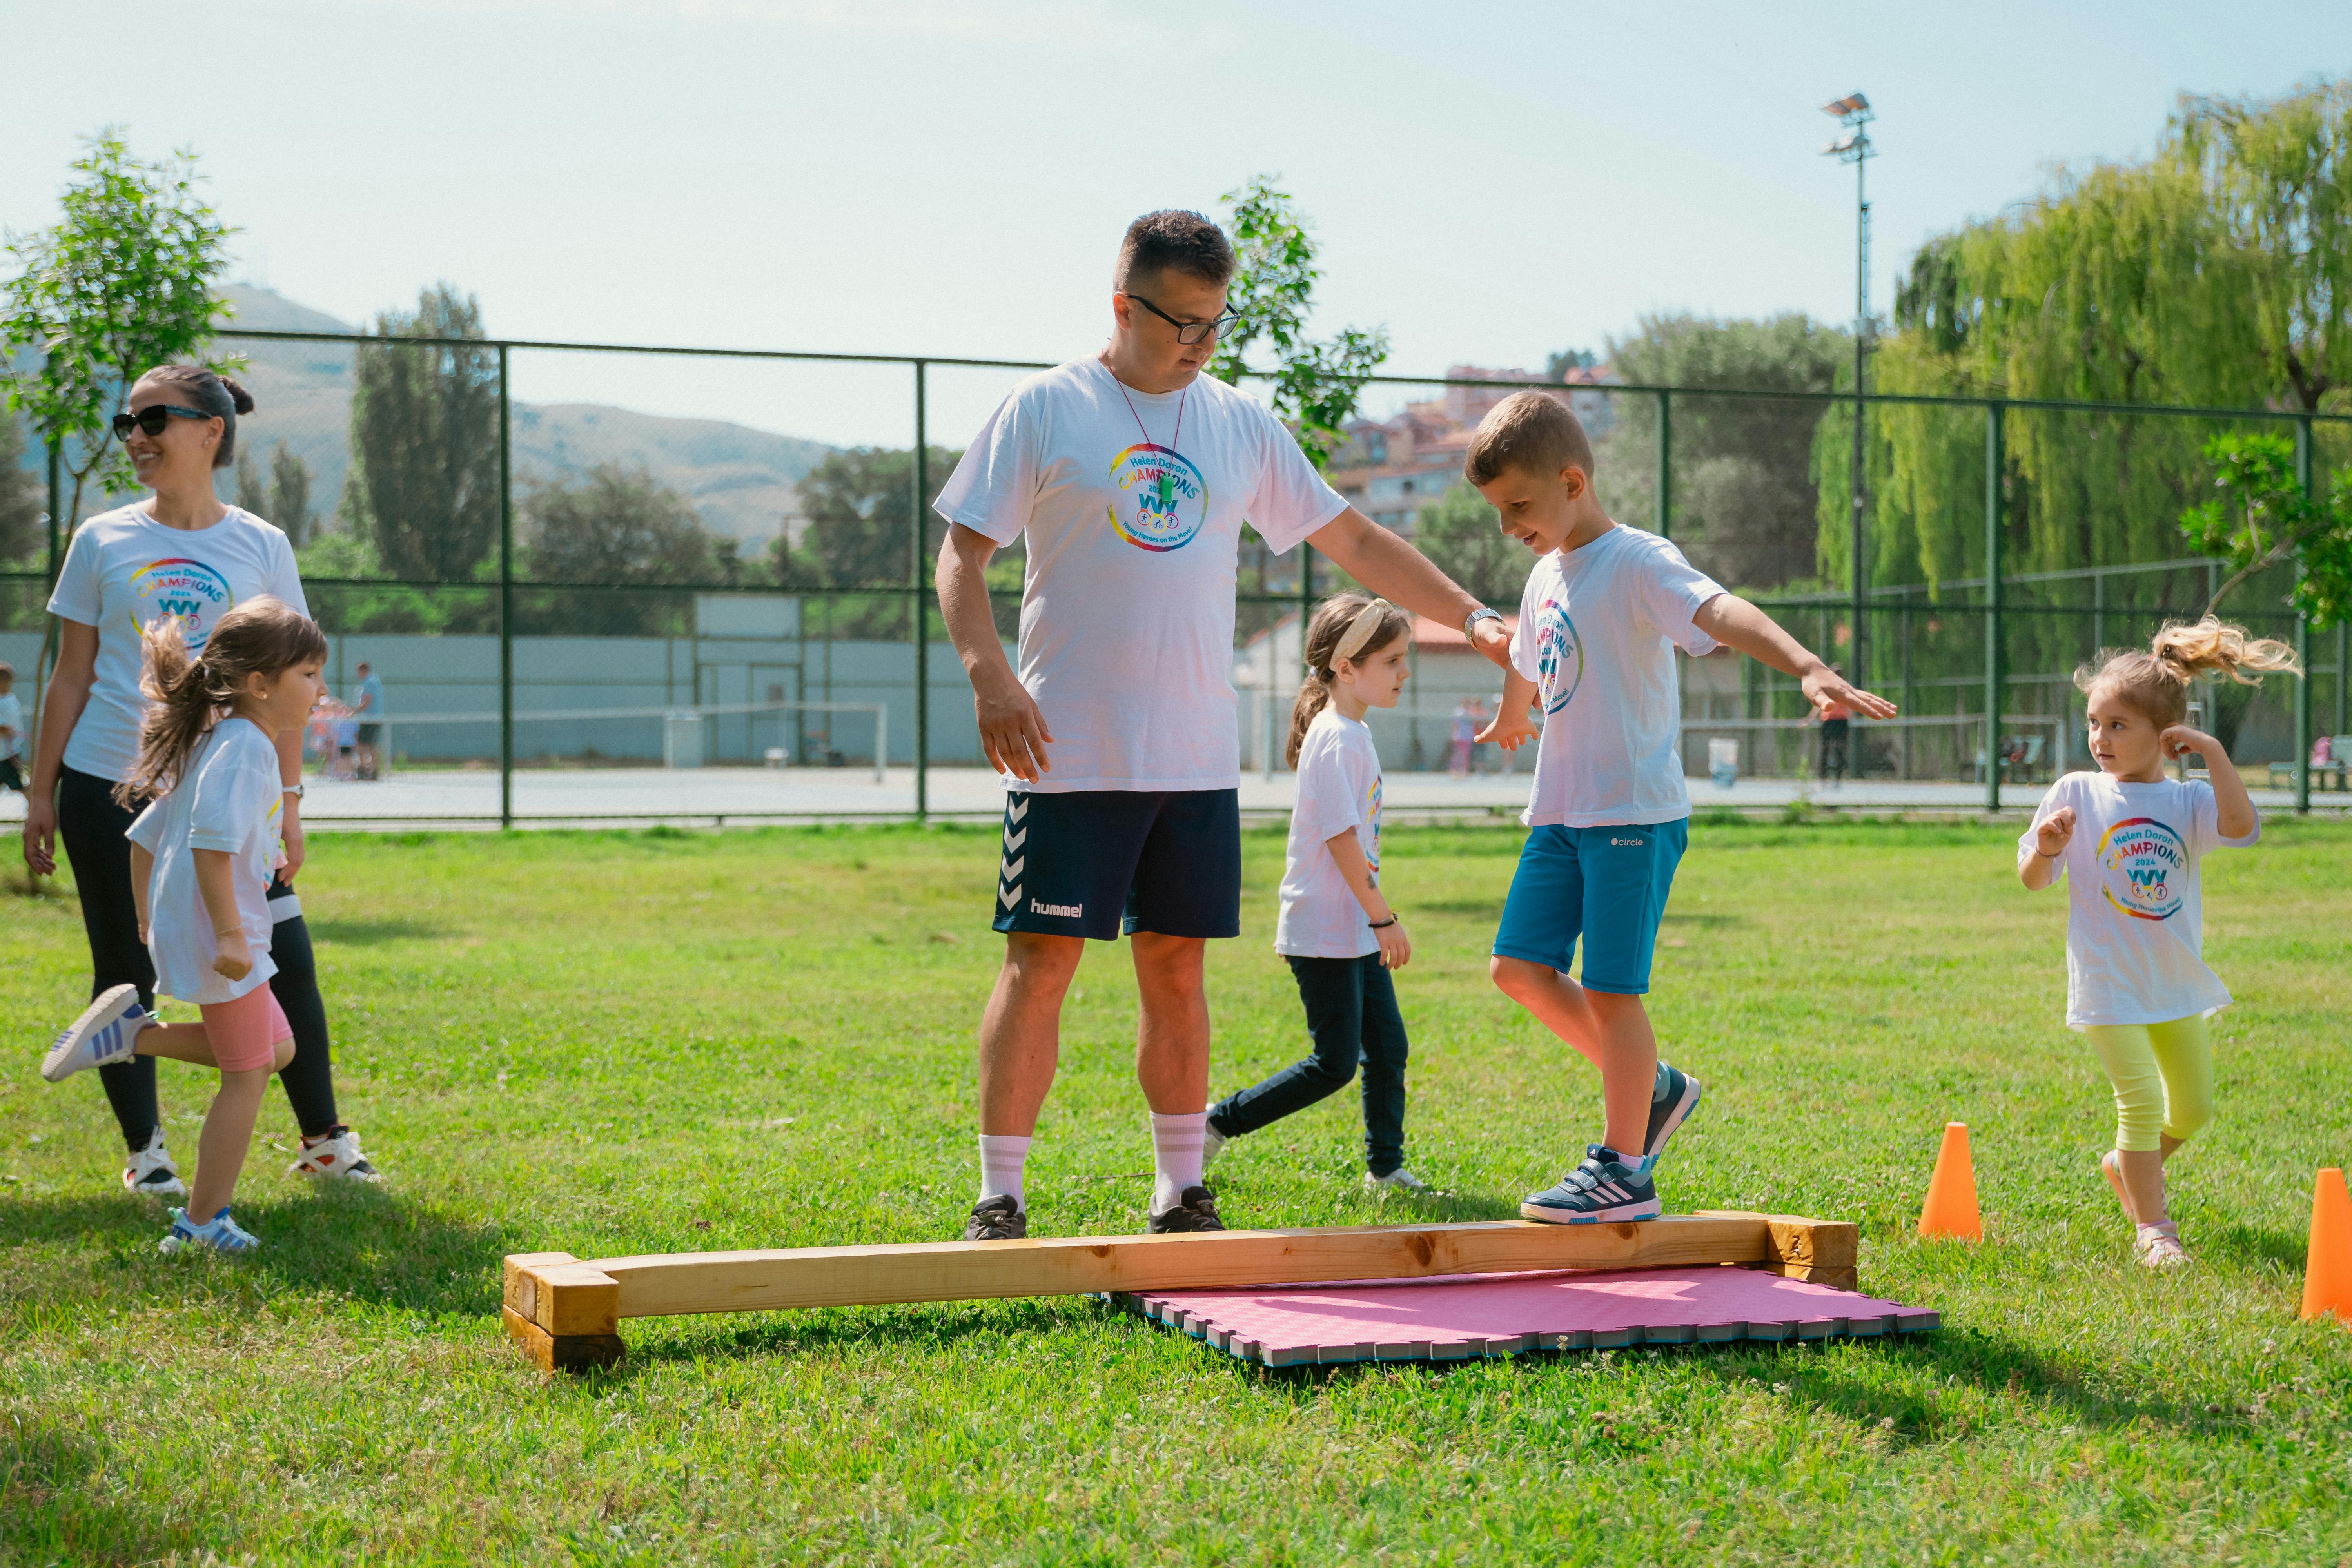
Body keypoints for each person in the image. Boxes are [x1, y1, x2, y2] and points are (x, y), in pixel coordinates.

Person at [933, 209, 1511, 1241]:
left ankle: (1178, 1190)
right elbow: (960, 558)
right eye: (1180, 322)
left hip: (1192, 764)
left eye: (1214, 323)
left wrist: (1468, 614)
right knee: (1042, 968)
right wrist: (990, 677)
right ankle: (1001, 1195)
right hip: (1067, 755)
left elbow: (1357, 538)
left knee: (1177, 970)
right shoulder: (1045, 409)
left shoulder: (1240, 423)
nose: (1200, 343)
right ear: (1124, 305)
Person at [1471, 392, 1894, 1223]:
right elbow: (1528, 652)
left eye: (1518, 504)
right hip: (1560, 810)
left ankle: (1625, 1170)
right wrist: (1514, 710)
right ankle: (1656, 1088)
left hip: (1632, 811)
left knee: (1612, 989)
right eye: (1495, 510)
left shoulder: (1635, 560)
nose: (1506, 524)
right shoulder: (1543, 571)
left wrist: (1807, 663)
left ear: (1572, 479)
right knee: (1517, 968)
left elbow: (1718, 611)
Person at [20, 365, 382, 1198]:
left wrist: (289, 804)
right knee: (124, 966)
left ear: (212, 429)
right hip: (108, 784)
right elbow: (71, 675)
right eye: (126, 423)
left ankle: (324, 1137)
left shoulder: (261, 543)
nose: (136, 437)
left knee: (283, 953)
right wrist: (42, 792)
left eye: (154, 419)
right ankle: (147, 1155)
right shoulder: (102, 539)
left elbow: (290, 682)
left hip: (223, 789)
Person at [40, 598, 326, 1253]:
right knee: (247, 1074)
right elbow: (208, 846)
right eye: (309, 674)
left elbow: (147, 835)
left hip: (201, 928)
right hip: (223, 936)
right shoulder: (248, 749)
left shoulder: (219, 740)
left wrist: (149, 915)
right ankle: (201, 1224)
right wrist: (228, 935)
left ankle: (134, 1036)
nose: (322, 689)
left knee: (276, 1051)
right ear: (261, 685)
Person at [2017, 617, 2299, 1269]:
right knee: (2140, 1100)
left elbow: (2242, 829)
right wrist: (2047, 848)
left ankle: (2128, 1163)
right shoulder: (2076, 794)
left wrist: (2215, 754)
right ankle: (2155, 1229)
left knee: (2193, 1109)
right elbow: (2033, 879)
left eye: (2118, 725)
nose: (2100, 738)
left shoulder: (2188, 801)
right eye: (2094, 722)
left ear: (2163, 735)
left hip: (2173, 980)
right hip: (2108, 979)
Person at [1204, 593, 1428, 1192]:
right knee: (1334, 1064)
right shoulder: (1336, 738)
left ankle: (1385, 1171)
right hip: (1327, 928)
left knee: (1387, 1050)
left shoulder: (1352, 733)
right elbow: (1340, 840)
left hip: (1351, 926)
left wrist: (1372, 922)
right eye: (1393, 660)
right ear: (1347, 667)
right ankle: (1215, 1125)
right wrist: (1384, 920)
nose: (1404, 672)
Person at [1815, 674, 1853, 786]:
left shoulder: (1844, 689)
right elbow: (1818, 705)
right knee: (1826, 751)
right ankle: (1824, 779)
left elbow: (1849, 706)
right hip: (1830, 721)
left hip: (1840, 721)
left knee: (1838, 750)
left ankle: (1836, 779)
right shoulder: (1826, 689)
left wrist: (1850, 718)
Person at [351, 661, 385, 780]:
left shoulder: (370, 682)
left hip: (370, 720)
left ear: (363, 671)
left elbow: (366, 702)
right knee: (369, 746)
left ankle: (366, 771)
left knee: (366, 747)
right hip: (372, 719)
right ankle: (371, 772)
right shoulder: (374, 681)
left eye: (359, 672)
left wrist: (353, 711)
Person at [0, 661, 23, 795]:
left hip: (7, 756)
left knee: (18, 787)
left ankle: (32, 812)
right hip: (8, 754)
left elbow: (6, 730)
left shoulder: (6, 704)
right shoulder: (11, 699)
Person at [1448, 698, 1477, 779]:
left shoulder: (1472, 713)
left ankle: (1465, 772)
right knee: (1458, 755)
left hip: (1468, 738)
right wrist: (1454, 735)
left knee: (1466, 756)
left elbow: (1474, 725)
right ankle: (1454, 771)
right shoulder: (1458, 712)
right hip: (1460, 737)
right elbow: (1455, 725)